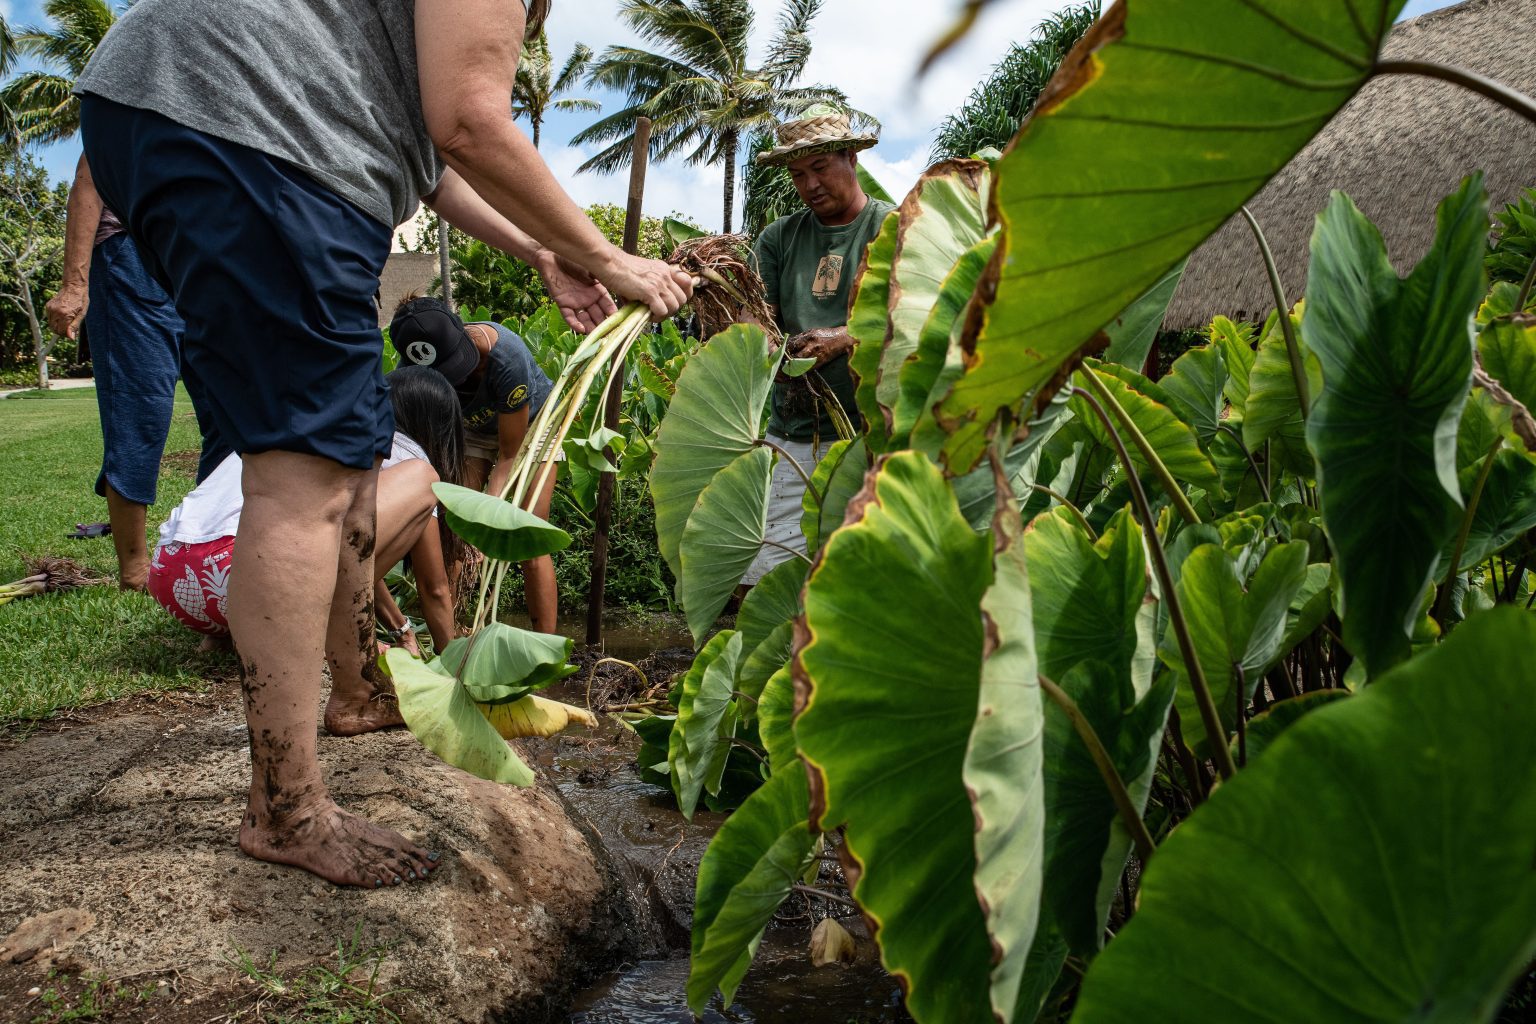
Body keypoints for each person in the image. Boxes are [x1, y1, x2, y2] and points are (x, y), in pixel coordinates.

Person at [75, 0, 693, 888]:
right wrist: (609, 256)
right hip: (254, 126)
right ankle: (286, 809)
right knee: (308, 475)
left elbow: (431, 159)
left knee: (349, 443)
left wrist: (542, 253)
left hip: (182, 112)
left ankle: (359, 691)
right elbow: (471, 123)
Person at [149, 365, 463, 656]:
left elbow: (358, 546)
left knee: (338, 527)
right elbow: (434, 589)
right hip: (243, 575)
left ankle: (225, 637)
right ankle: (332, 638)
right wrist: (452, 659)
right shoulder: (408, 457)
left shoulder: (323, 422)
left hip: (172, 577)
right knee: (424, 480)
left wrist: (402, 631)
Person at [42, 156, 219, 591]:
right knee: (140, 415)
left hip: (201, 260)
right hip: (129, 256)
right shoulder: (132, 89)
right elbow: (90, 179)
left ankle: (205, 545)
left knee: (228, 416)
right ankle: (136, 573)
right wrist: (74, 285)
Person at [744, 105, 895, 583]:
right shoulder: (779, 238)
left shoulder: (892, 229)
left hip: (872, 432)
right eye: (798, 173)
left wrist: (846, 337)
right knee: (772, 576)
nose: (809, 184)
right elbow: (757, 325)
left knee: (861, 578)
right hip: (794, 433)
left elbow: (921, 318)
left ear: (851, 157)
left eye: (820, 167)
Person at [388, 295, 560, 632]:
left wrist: (486, 522)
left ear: (463, 334)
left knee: (530, 534)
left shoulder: (505, 355)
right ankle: (451, 640)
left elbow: (510, 455)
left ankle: (546, 647)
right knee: (454, 532)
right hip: (471, 429)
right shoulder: (409, 373)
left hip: (531, 424)